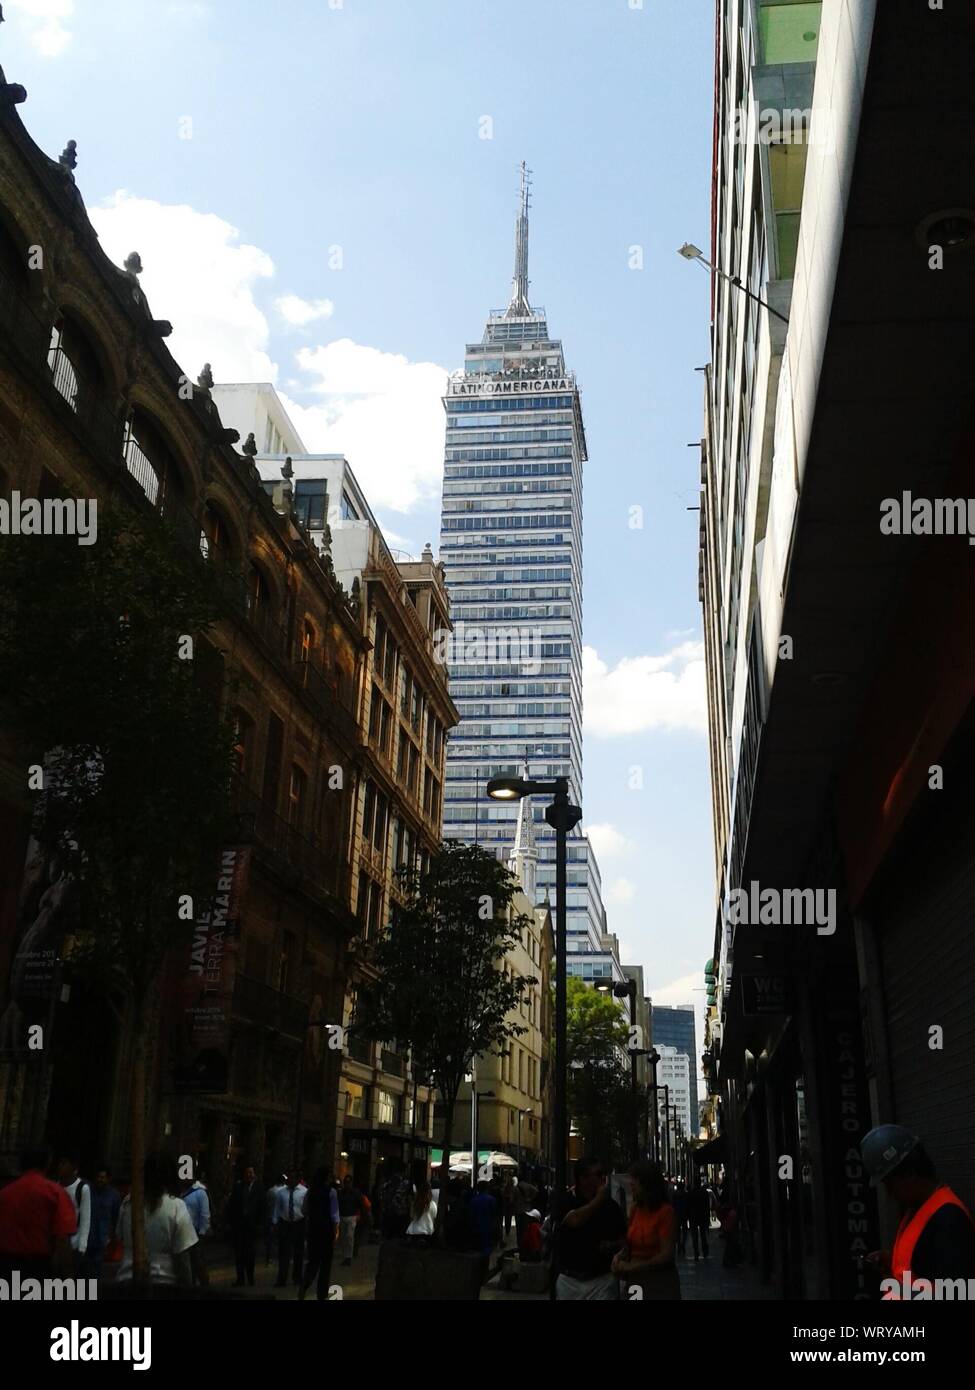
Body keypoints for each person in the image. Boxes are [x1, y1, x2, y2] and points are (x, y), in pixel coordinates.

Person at [861, 1124, 975, 1297]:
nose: (890, 1194)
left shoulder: (949, 1219)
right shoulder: (917, 1209)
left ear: (909, 1174)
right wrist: (891, 1262)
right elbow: (923, 1267)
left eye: (890, 1185)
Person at [115, 1152, 198, 1287]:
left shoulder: (129, 1202)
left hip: (126, 1280)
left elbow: (120, 1236)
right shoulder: (176, 1206)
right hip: (163, 1284)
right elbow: (183, 1257)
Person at [0, 1144, 76, 1280]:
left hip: (5, 1266)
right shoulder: (55, 1193)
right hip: (37, 1268)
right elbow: (62, 1239)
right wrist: (68, 1277)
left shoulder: (5, 1194)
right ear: (47, 1163)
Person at [555, 1158, 626, 1300]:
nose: (603, 1178)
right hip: (570, 1281)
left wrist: (612, 1246)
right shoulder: (567, 1201)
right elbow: (574, 1220)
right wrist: (598, 1200)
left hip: (601, 1279)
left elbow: (623, 1238)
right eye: (599, 1174)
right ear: (583, 1178)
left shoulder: (611, 1206)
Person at [611, 1161, 681, 1300]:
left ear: (648, 1184)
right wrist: (619, 1257)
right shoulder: (635, 1209)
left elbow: (667, 1254)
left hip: (658, 1282)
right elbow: (630, 1243)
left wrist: (634, 1267)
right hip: (636, 1282)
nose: (631, 1184)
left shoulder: (665, 1212)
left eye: (635, 1180)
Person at [299, 1168, 339, 1301]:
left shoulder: (311, 1191)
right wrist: (335, 1232)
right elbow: (334, 1215)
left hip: (313, 1230)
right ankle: (321, 1295)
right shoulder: (331, 1192)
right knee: (325, 1265)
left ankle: (304, 1286)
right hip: (326, 1230)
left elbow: (304, 1210)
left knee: (313, 1262)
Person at [226, 1164, 264, 1287]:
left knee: (250, 1254)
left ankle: (250, 1278)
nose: (249, 1175)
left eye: (251, 1173)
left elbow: (263, 1207)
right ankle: (240, 1278)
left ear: (254, 1174)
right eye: (247, 1173)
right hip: (239, 1226)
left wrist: (260, 1224)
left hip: (252, 1227)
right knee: (239, 1254)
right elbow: (232, 1206)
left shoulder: (259, 1188)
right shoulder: (238, 1187)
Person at [57, 1151, 90, 1276]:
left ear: (73, 1167)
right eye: (60, 1163)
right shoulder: (56, 1186)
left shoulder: (82, 1188)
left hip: (74, 1245)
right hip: (57, 1243)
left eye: (64, 1163)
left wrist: (82, 1247)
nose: (60, 1166)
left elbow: (85, 1219)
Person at [86, 1165, 121, 1279]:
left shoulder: (114, 1195)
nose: (100, 1179)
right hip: (86, 1238)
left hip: (103, 1240)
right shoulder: (87, 1192)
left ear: (108, 1179)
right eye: (98, 1177)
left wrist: (112, 1237)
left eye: (103, 1177)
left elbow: (116, 1218)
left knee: (98, 1274)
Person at [273, 1172, 307, 1286]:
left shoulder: (304, 1191)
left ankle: (297, 1277)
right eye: (288, 1177)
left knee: (299, 1252)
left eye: (292, 1177)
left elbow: (307, 1208)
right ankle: (281, 1279)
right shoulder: (281, 1192)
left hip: (299, 1223)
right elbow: (277, 1208)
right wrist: (275, 1222)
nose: (289, 1180)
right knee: (284, 1252)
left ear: (297, 1179)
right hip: (285, 1224)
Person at [181, 1169, 211, 1286]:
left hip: (196, 1234)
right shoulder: (181, 1192)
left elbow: (205, 1215)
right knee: (188, 1264)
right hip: (183, 1234)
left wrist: (202, 1233)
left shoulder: (200, 1192)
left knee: (198, 1263)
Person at [380, 1163, 412, 1240]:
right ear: (405, 1171)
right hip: (401, 1212)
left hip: (389, 1211)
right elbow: (410, 1198)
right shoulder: (406, 1183)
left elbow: (382, 1194)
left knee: (389, 1237)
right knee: (399, 1237)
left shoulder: (388, 1181)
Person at [337, 1174, 364, 1266]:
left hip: (352, 1216)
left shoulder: (356, 1193)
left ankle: (348, 1257)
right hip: (343, 1216)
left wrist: (359, 1214)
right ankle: (345, 1255)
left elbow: (360, 1204)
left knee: (349, 1236)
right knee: (343, 1237)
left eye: (348, 1182)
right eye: (346, 1182)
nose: (347, 1184)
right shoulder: (341, 1193)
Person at [405, 1178, 437, 1246]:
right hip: (427, 1233)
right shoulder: (432, 1204)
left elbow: (411, 1217)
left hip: (412, 1232)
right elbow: (434, 1218)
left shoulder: (415, 1204)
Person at [688, 1177, 711, 1260]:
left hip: (693, 1216)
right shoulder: (704, 1192)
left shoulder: (691, 1193)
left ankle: (696, 1253)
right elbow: (707, 1206)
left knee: (695, 1236)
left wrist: (688, 1216)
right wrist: (708, 1218)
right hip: (702, 1215)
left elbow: (688, 1206)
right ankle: (705, 1252)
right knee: (703, 1235)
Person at [672, 1179, 689, 1256]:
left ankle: (679, 1245)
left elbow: (672, 1205)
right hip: (684, 1214)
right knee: (685, 1231)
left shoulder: (674, 1195)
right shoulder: (686, 1195)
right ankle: (683, 1244)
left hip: (676, 1215)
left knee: (677, 1232)